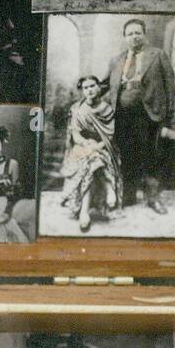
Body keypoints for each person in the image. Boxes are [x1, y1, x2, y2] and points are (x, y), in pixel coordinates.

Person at [106, 19, 175, 215]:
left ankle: (153, 198)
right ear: (125, 37)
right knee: (127, 155)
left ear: (144, 35)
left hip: (150, 115)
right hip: (122, 115)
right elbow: (106, 84)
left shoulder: (158, 55)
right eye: (130, 33)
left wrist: (168, 116)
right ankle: (129, 196)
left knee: (151, 156)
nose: (134, 36)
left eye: (138, 32)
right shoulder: (117, 60)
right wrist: (85, 96)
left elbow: (170, 85)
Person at [59, 75, 122, 233]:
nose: (90, 90)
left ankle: (86, 210)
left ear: (99, 87)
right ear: (82, 91)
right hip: (83, 146)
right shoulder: (77, 109)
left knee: (95, 158)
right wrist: (87, 144)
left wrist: (97, 146)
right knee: (90, 160)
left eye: (92, 86)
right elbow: (76, 135)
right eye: (86, 87)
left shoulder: (107, 109)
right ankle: (92, 203)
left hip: (104, 146)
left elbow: (109, 136)